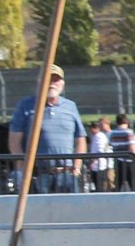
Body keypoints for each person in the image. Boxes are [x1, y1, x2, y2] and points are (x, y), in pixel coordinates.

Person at [7, 65, 86, 193]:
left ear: (62, 83)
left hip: (67, 174)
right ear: (40, 82)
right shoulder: (25, 105)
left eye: (56, 80)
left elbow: (80, 139)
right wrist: (22, 169)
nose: (52, 84)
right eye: (48, 79)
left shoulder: (70, 106)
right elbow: (14, 140)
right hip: (38, 174)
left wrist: (77, 167)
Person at [89, 118, 114, 193]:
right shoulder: (95, 136)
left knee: (101, 187)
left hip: (100, 166)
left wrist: (92, 161)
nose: (90, 130)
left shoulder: (99, 136)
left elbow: (100, 150)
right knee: (98, 186)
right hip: (96, 166)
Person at [111, 113, 135, 190]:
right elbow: (132, 148)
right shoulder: (129, 132)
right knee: (133, 184)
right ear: (126, 121)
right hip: (129, 161)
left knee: (118, 184)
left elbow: (112, 145)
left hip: (118, 160)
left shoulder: (113, 133)